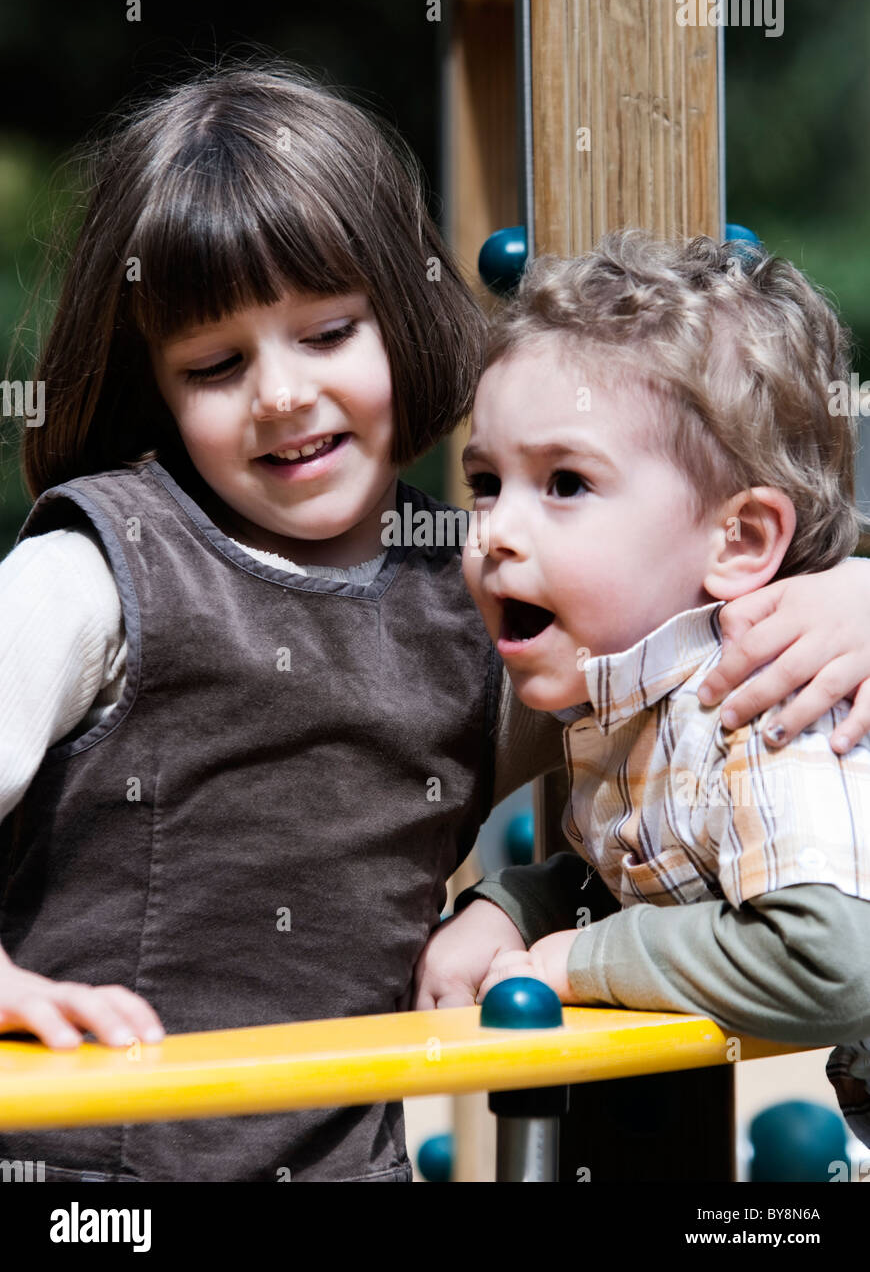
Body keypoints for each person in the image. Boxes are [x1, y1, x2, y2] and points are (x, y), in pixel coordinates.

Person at [1, 69, 869, 1182]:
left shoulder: (482, 610)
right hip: (85, 1173)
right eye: (215, 365)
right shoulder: (92, 576)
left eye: (328, 332)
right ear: (158, 389)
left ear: (399, 324)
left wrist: (848, 588)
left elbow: (673, 736)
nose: (280, 393)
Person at [414, 231, 870, 1146]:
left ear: (740, 541)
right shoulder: (639, 707)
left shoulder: (764, 701)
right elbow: (671, 877)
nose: (495, 532)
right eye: (486, 483)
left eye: (566, 482)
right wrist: (514, 907)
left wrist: (578, 960)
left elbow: (830, 961)